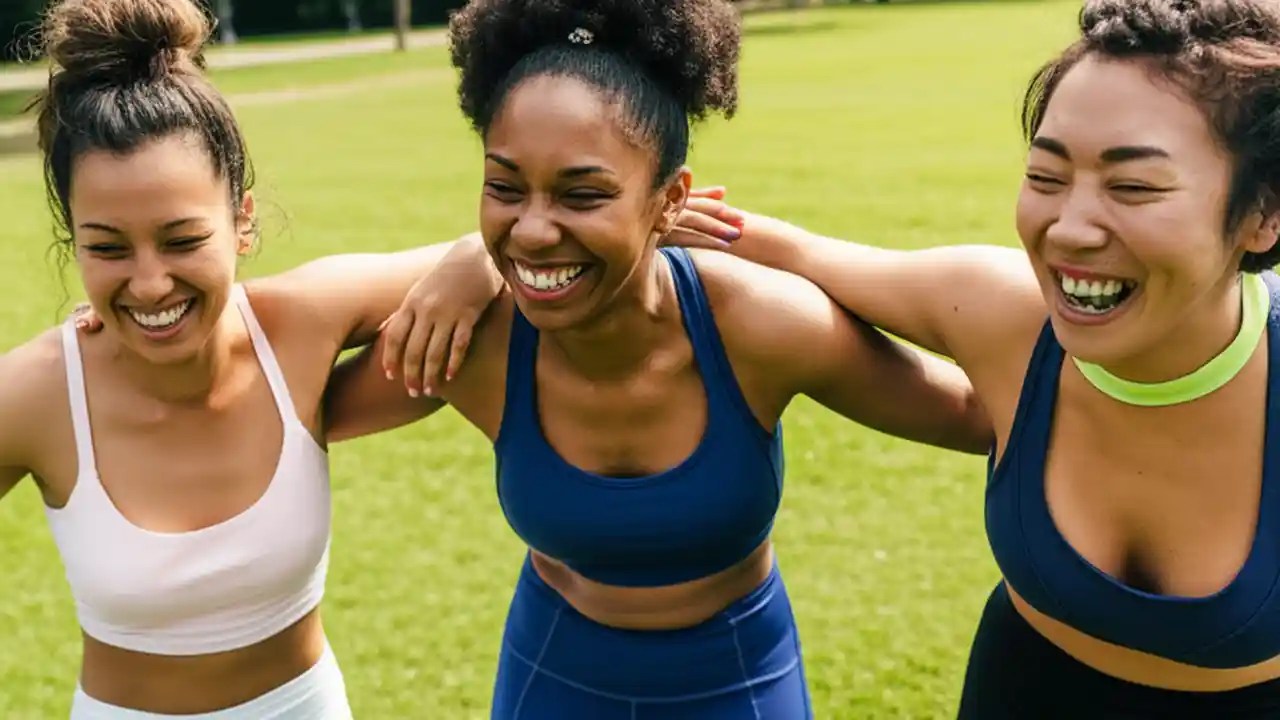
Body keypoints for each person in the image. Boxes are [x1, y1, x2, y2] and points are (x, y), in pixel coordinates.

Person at [325, 0, 992, 717]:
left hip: (738, 677)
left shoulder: (760, 326)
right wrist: (463, 258)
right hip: (554, 674)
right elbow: (291, 405)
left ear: (670, 199)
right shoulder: (472, 342)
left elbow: (976, 415)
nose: (536, 229)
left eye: (584, 193)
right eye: (504, 188)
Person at [670, 0, 1280, 715]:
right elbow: (792, 252)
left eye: (1133, 187)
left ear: (1264, 212)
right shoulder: (1002, 316)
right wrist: (623, 215)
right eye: (1047, 177)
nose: (1070, 229)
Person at [7, 0, 497, 716]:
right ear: (72, 239)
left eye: (181, 241)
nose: (148, 284)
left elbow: (527, 247)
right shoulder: (36, 395)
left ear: (242, 221)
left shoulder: (299, 323)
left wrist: (476, 258)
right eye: (107, 248)